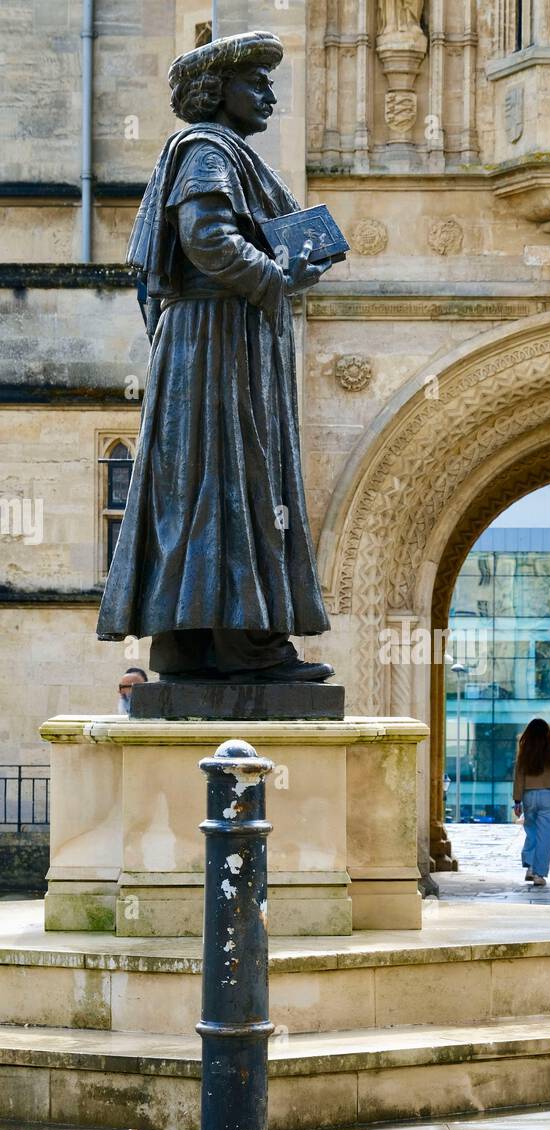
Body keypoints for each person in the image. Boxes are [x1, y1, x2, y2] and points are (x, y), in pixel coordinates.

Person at [96, 30, 335, 684]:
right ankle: (249, 647)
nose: (268, 94)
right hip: (216, 335)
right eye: (254, 81)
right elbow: (208, 240)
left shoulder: (222, 153)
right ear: (217, 88)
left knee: (203, 479)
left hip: (214, 334)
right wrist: (278, 277)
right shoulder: (207, 149)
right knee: (234, 474)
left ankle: (189, 645)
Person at [512, 718, 550, 887]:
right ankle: (539, 874)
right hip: (547, 795)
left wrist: (517, 801)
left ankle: (529, 866)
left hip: (529, 796)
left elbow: (518, 778)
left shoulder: (524, 753)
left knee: (532, 831)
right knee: (546, 836)